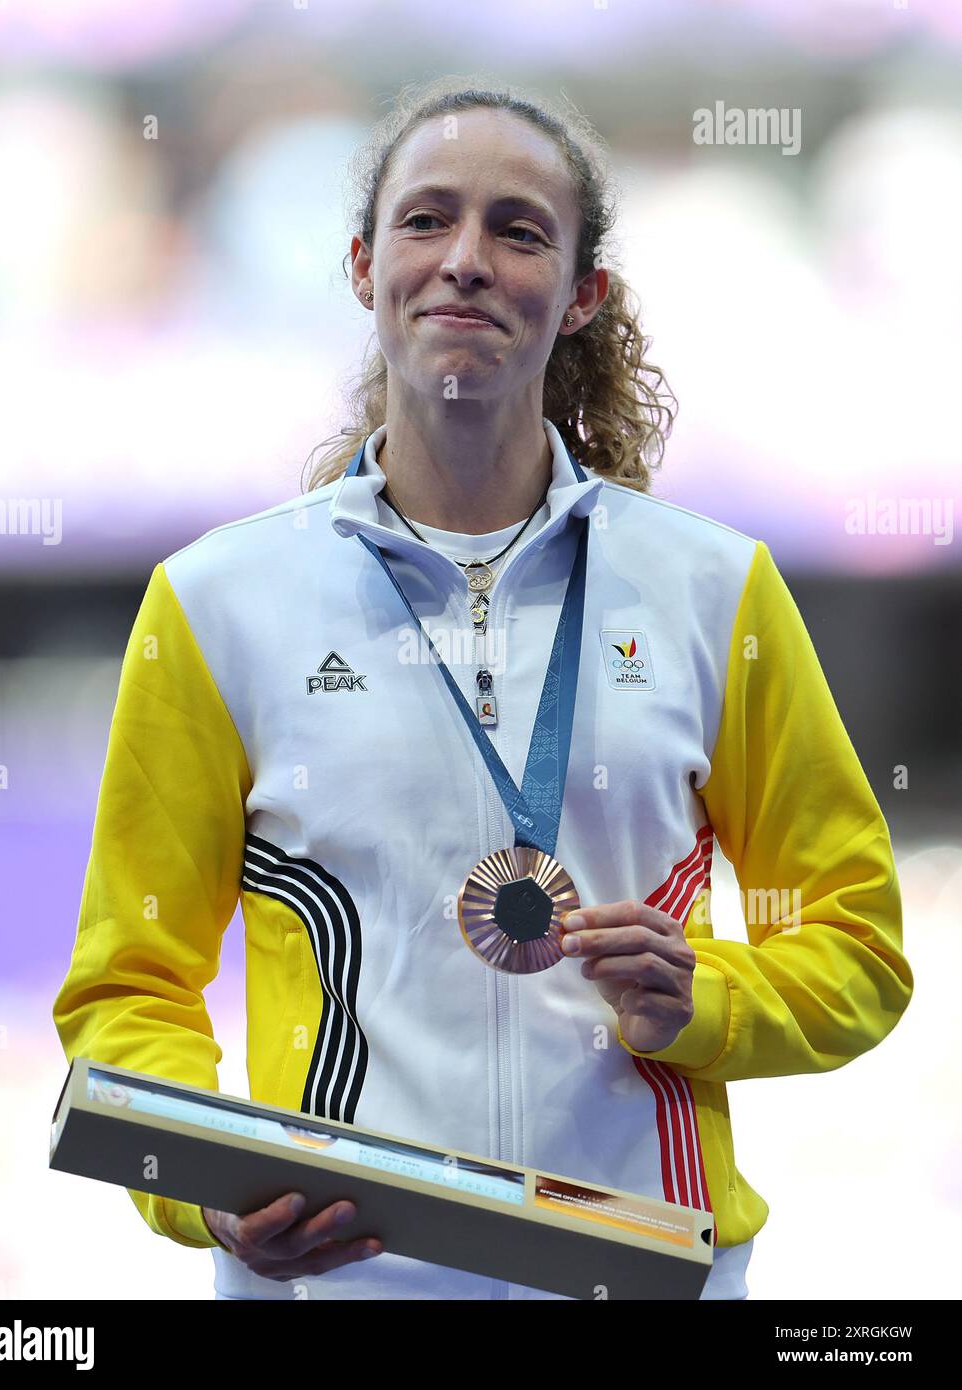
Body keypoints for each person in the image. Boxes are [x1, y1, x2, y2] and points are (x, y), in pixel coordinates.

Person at [52, 77, 913, 1302]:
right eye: (424, 220)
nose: (463, 260)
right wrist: (201, 1186)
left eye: (517, 230)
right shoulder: (215, 603)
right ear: (362, 266)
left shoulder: (713, 590)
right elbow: (127, 985)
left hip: (647, 1266)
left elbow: (856, 943)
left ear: (580, 295)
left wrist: (703, 999)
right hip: (334, 1279)